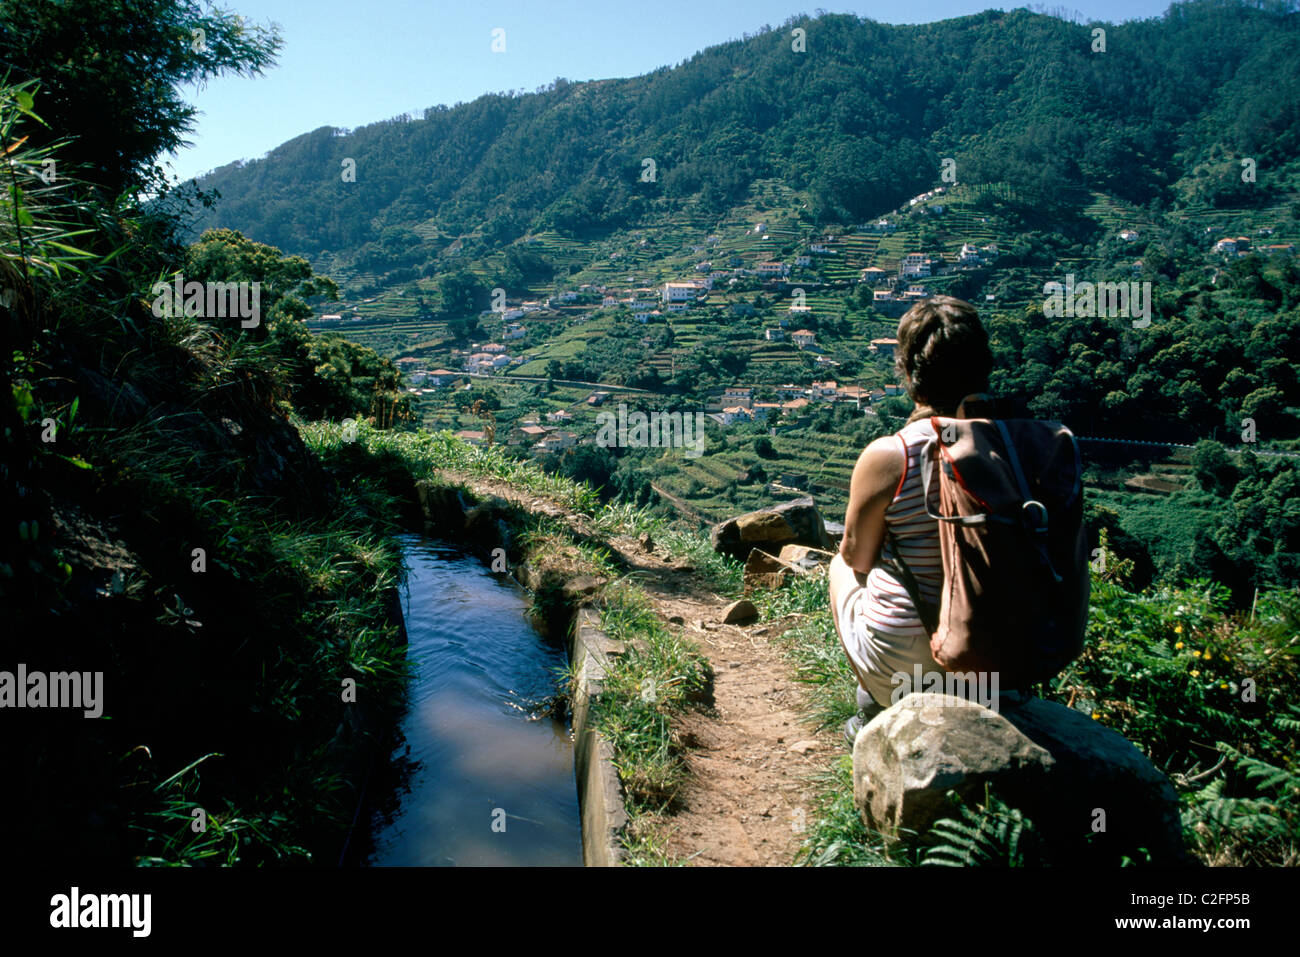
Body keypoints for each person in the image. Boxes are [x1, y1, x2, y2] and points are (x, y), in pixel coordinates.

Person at [828, 295, 995, 742]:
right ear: (985, 365)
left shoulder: (892, 454)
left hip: (916, 664)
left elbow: (857, 559)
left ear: (906, 370)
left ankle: (875, 700)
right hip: (1013, 654)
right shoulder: (1033, 447)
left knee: (840, 565)